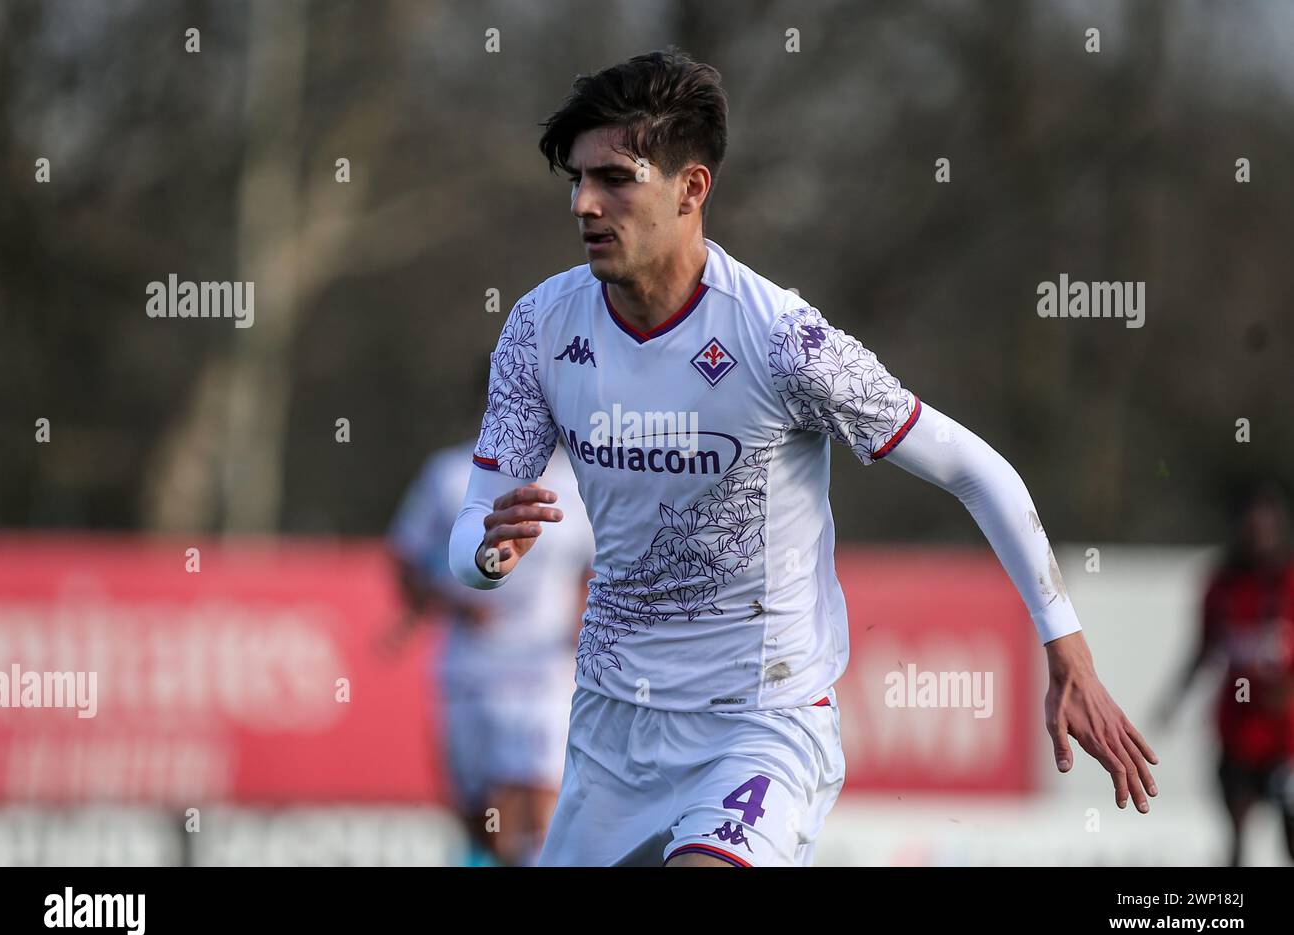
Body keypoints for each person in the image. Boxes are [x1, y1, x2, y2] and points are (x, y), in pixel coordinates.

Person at [449, 48, 1158, 867]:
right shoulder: (539, 326)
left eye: (616, 178)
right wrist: (487, 555)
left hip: (761, 720)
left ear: (690, 189)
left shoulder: (783, 339)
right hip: (611, 728)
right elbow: (471, 534)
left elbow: (973, 466)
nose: (585, 203)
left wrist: (1065, 645)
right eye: (577, 180)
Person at [387, 439, 593, 866]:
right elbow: (406, 560)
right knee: (484, 821)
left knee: (540, 802)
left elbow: (595, 568)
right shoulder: (449, 475)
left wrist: (584, 630)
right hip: (470, 673)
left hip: (545, 675)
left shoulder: (583, 479)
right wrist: (457, 604)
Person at [1158, 480, 1294, 865]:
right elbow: (1203, 649)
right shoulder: (1223, 585)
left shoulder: (1288, 582)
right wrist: (1175, 700)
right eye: (1251, 526)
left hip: (1285, 736)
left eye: (1265, 526)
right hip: (1236, 731)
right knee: (1236, 825)